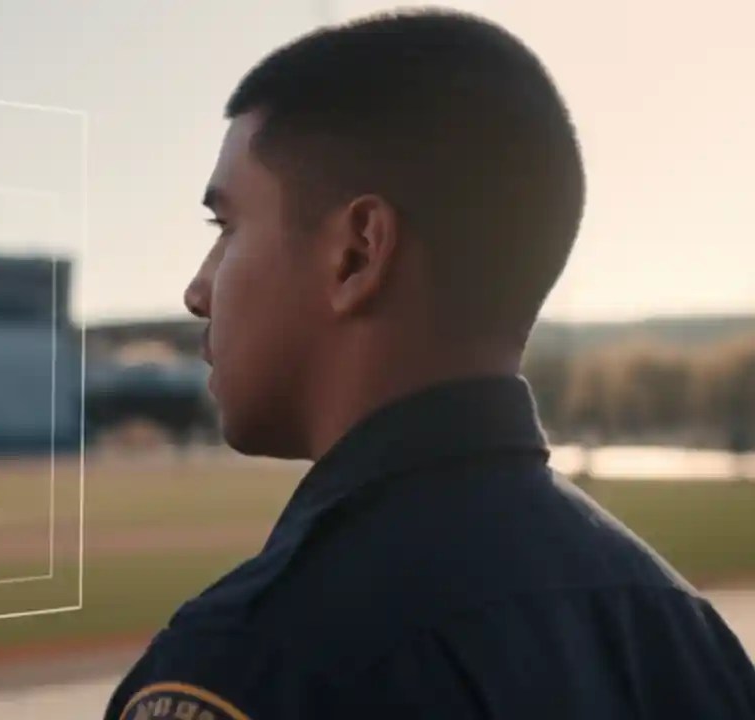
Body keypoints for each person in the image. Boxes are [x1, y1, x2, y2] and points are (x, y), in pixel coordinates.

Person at [105, 9, 755, 719]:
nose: (197, 291)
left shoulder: (254, 665)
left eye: (226, 227)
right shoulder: (687, 637)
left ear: (357, 252)